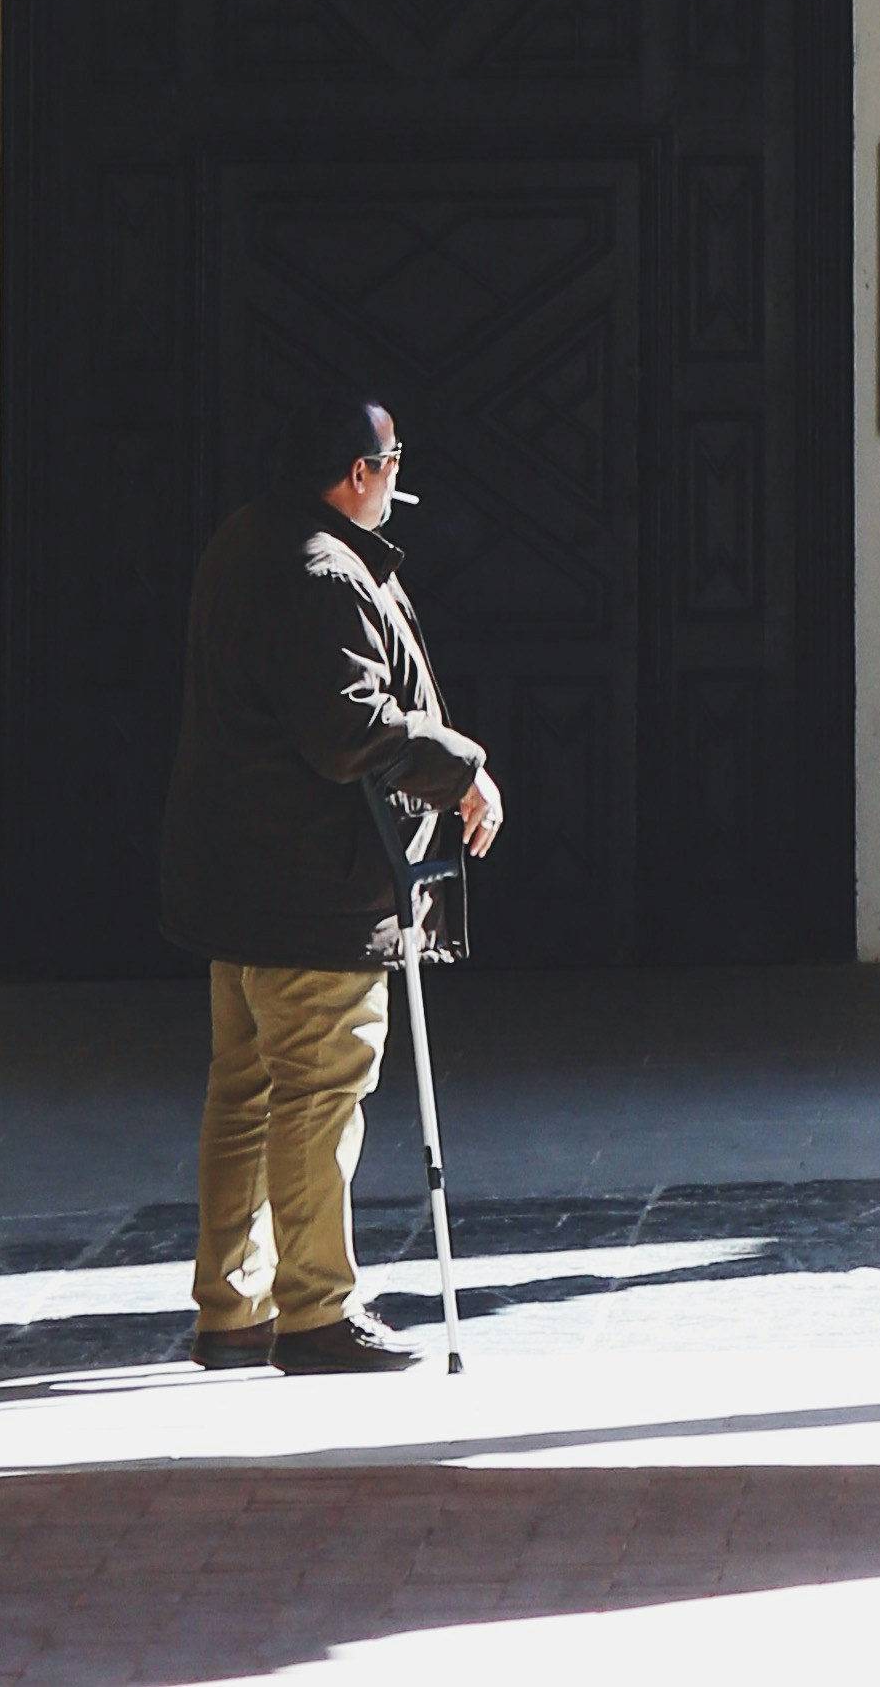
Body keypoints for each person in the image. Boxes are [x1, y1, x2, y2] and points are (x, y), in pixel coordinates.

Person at [158, 393, 502, 1374]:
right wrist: (463, 763)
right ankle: (313, 1308)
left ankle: (232, 1305)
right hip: (313, 884)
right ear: (359, 471)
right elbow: (348, 729)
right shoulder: (321, 571)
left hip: (244, 877)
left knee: (248, 1092)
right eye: (393, 463)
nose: (398, 481)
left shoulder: (247, 540)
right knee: (320, 1086)